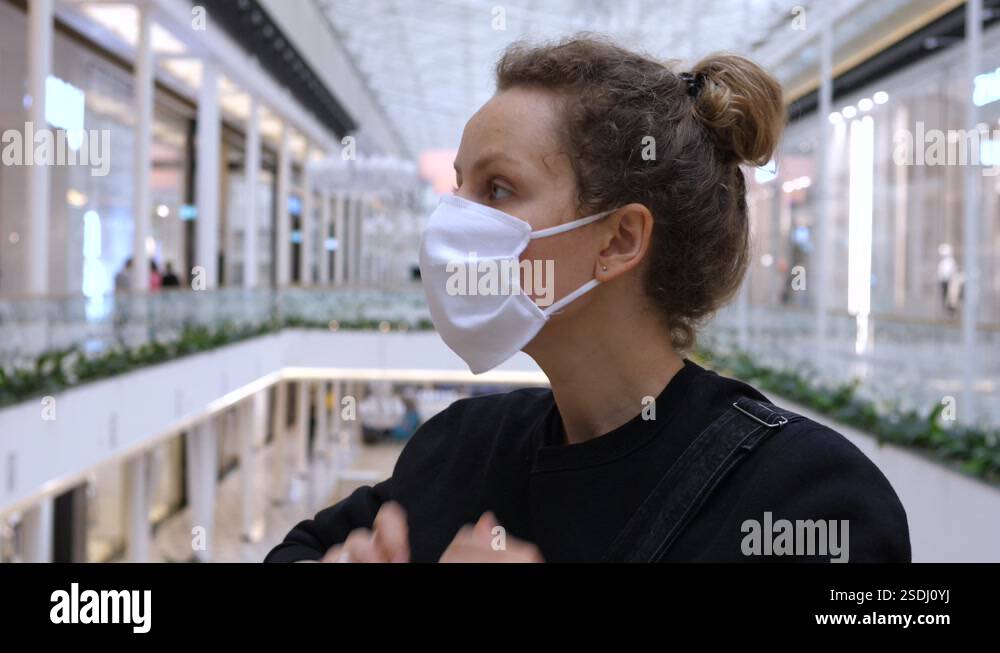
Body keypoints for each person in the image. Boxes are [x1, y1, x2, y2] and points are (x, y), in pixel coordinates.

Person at [266, 36, 910, 564]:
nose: (446, 223)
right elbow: (297, 551)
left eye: (497, 190)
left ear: (620, 239)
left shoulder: (809, 498)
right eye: (459, 184)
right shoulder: (464, 446)